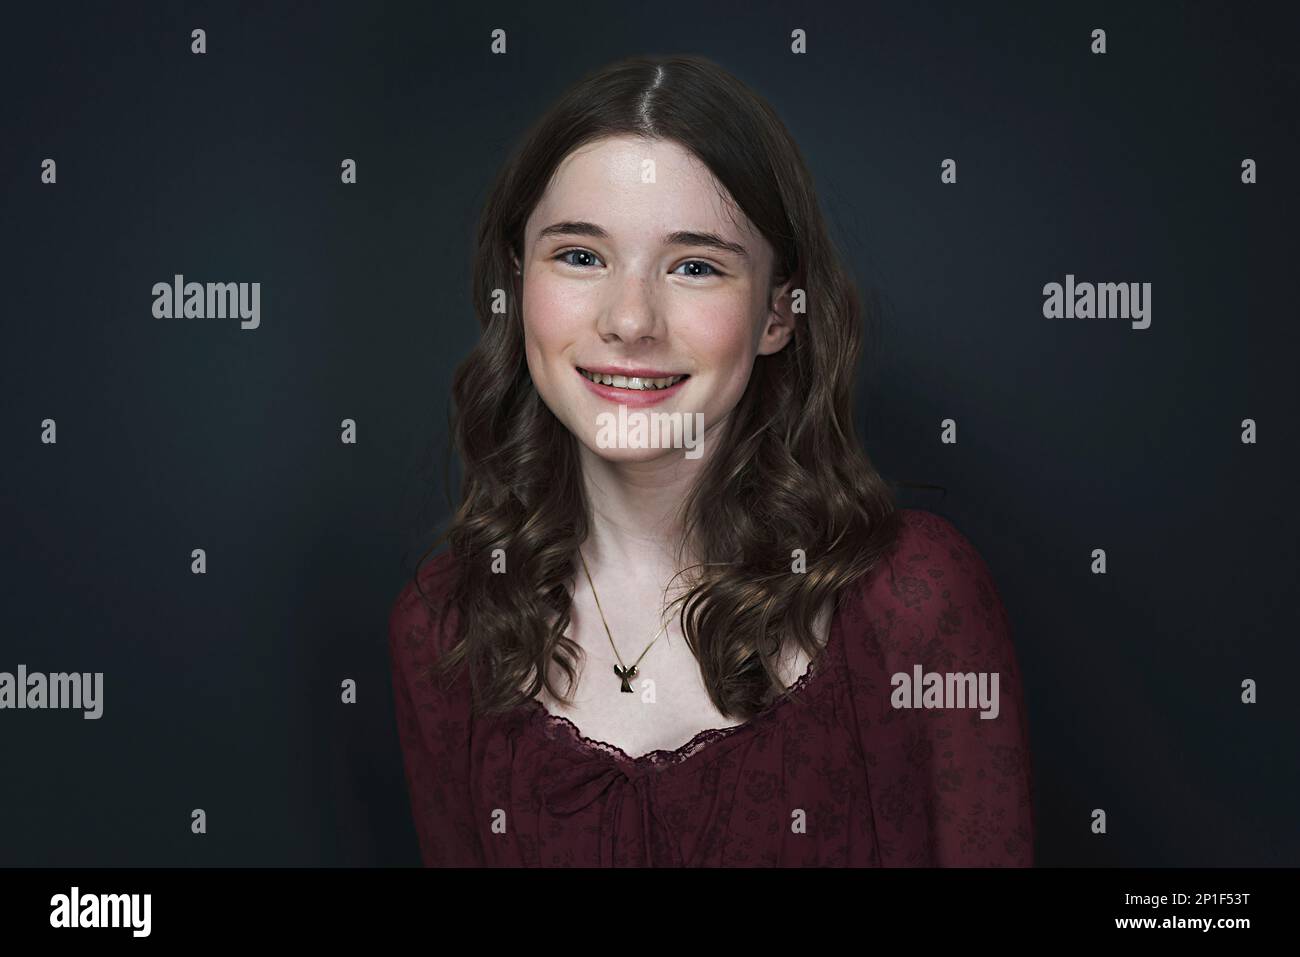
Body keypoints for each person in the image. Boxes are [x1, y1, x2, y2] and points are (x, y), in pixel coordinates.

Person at [388, 53, 1034, 866]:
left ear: (777, 313)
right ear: (518, 286)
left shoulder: (915, 600)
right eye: (580, 256)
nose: (630, 320)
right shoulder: (440, 632)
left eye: (695, 266)